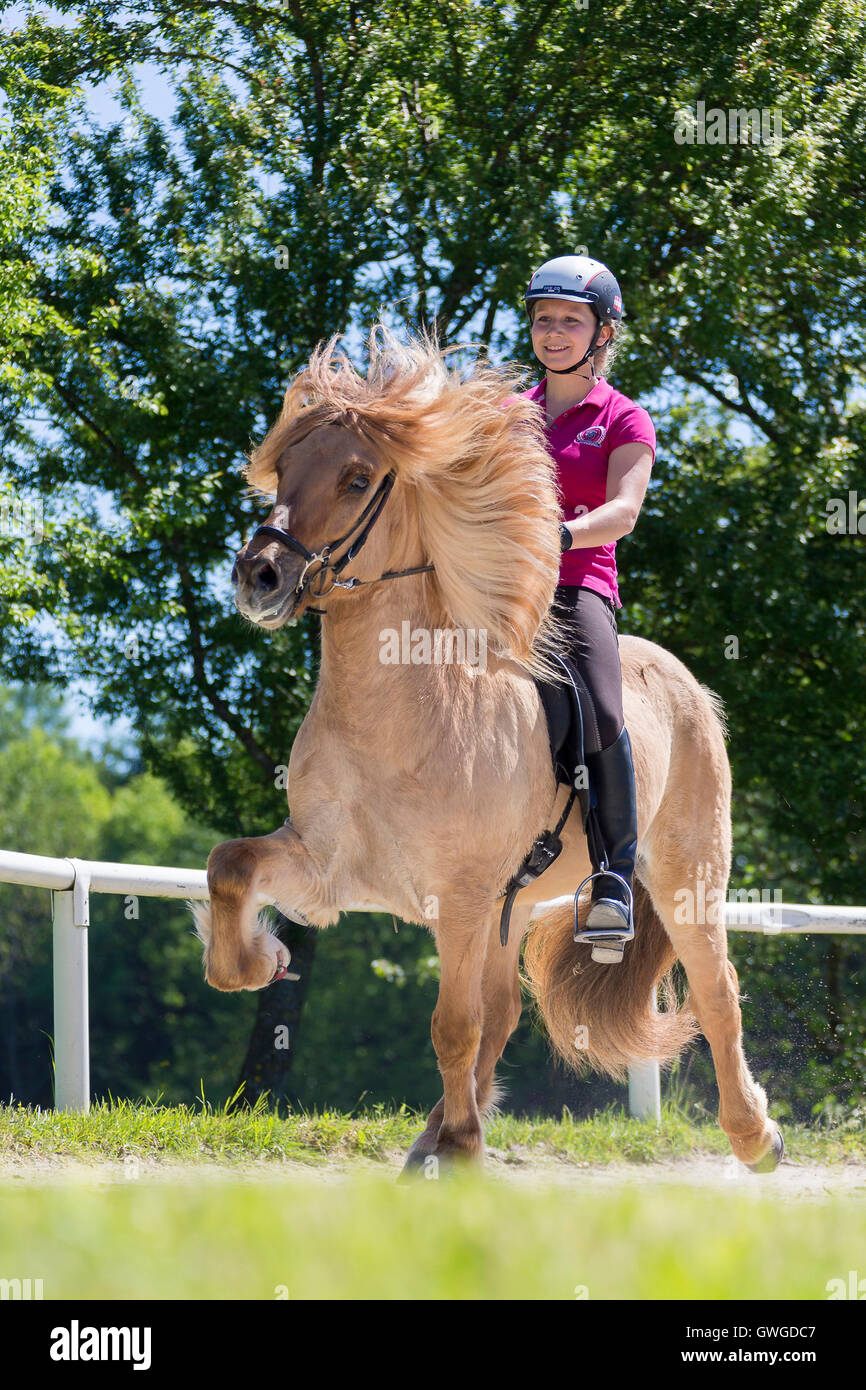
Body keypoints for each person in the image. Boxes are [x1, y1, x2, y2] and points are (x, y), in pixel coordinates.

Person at [520, 254, 656, 963]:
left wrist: (559, 535)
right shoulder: (506, 414)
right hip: (501, 589)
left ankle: (613, 878)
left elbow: (625, 512)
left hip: (577, 586)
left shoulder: (625, 418)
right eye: (544, 320)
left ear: (602, 332)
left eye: (570, 320)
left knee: (603, 712)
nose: (553, 332)